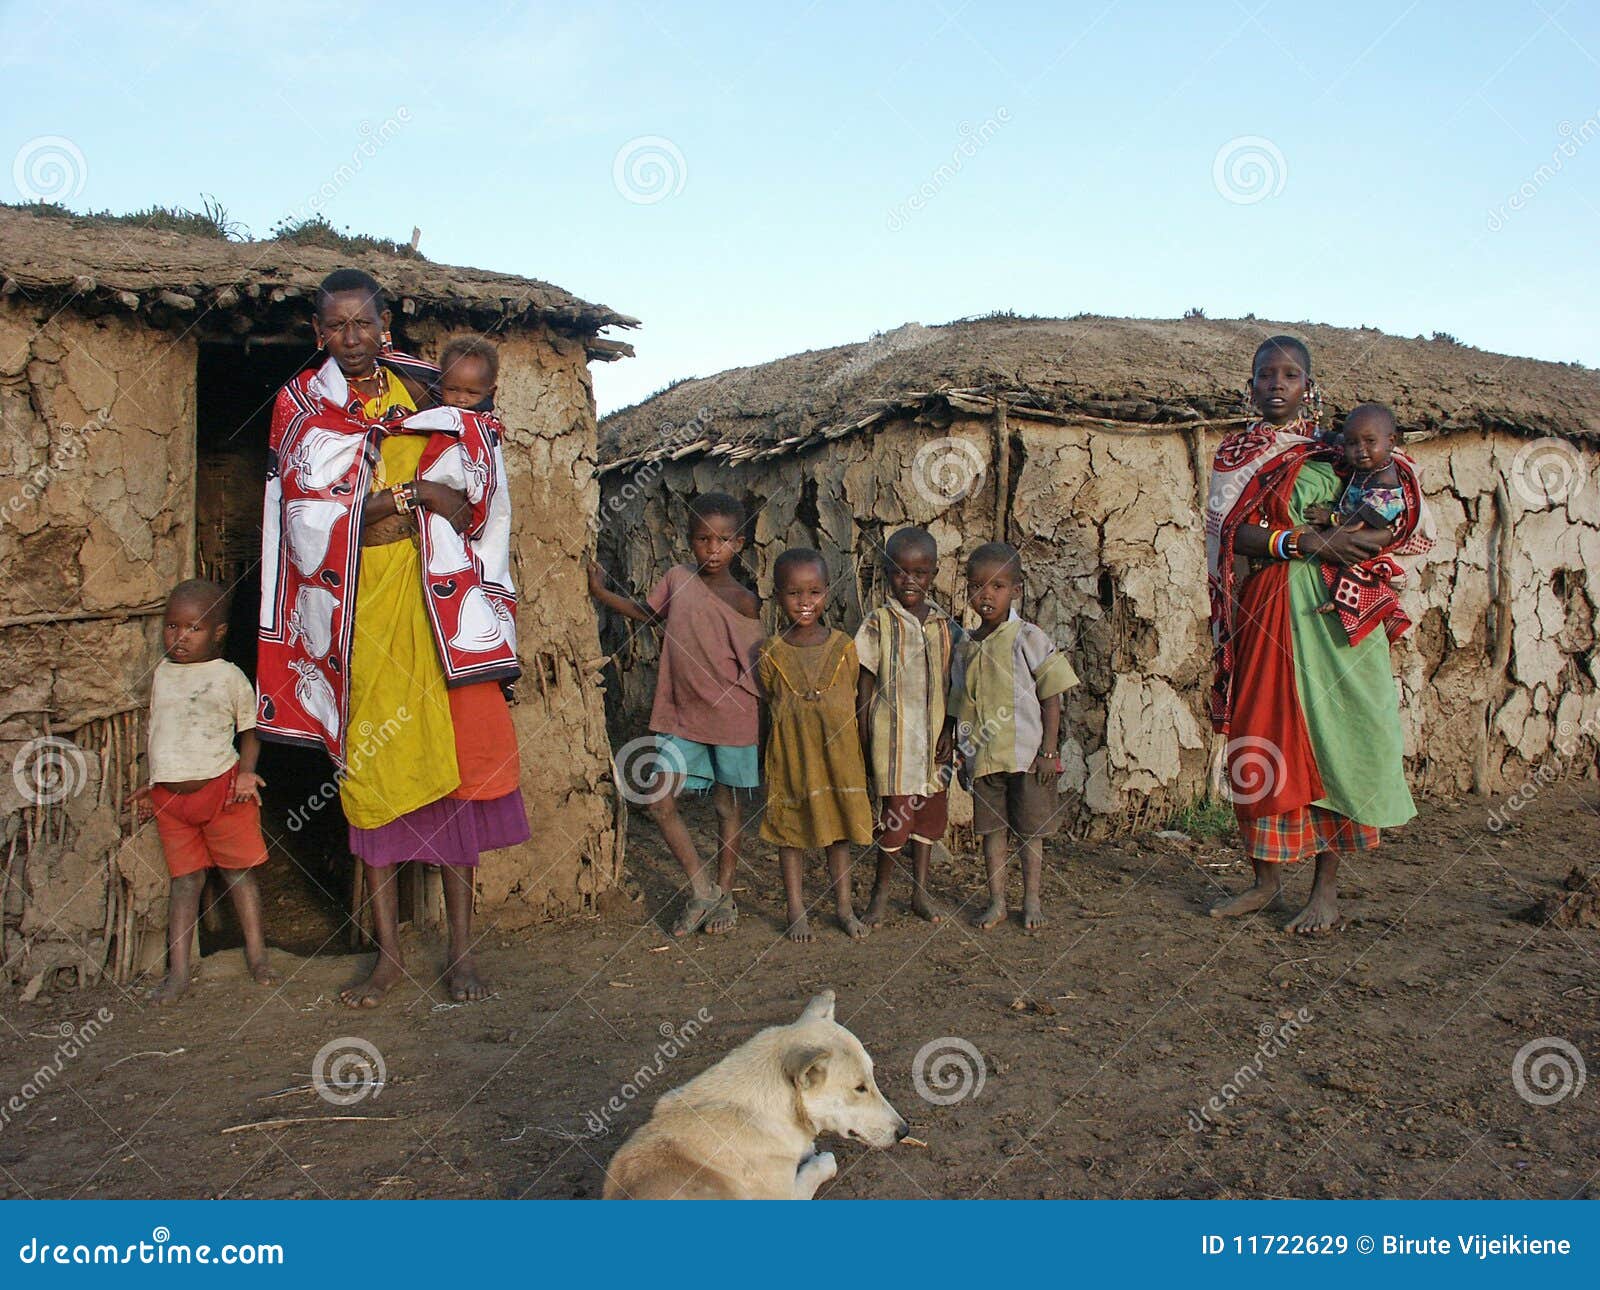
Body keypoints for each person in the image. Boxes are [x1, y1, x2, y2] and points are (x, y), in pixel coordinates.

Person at [258, 270, 529, 1007]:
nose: (351, 337)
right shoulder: (303, 408)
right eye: (335, 325)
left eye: (363, 323)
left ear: (386, 324)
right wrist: (409, 497)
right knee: (372, 781)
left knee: (452, 775)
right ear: (319, 331)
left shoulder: (428, 387)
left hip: (435, 609)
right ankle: (388, 959)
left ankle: (461, 955)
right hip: (361, 615)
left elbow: (476, 486)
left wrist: (430, 502)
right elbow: (304, 521)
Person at [1205, 336, 1429, 934]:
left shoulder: (1338, 451)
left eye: (1290, 374)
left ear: (1310, 387)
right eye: (1265, 375)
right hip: (1269, 607)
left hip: (1335, 615)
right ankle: (1265, 881)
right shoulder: (1235, 455)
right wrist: (1307, 540)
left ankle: (1324, 891)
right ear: (1249, 386)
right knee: (1264, 734)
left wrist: (1350, 537)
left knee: (1338, 735)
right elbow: (1234, 537)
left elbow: (1400, 509)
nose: (1276, 384)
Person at [587, 492, 763, 937]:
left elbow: (756, 669)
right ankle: (700, 888)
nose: (713, 549)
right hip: (683, 714)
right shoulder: (677, 579)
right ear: (690, 541)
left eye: (723, 540)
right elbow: (647, 615)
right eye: (704, 539)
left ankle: (724, 898)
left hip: (732, 716)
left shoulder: (745, 601)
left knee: (727, 807)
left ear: (738, 544)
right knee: (657, 799)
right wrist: (600, 592)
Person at [134, 580, 276, 1004]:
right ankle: (178, 973)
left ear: (217, 632)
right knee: (185, 883)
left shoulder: (228, 677)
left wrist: (247, 775)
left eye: (192, 627)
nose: (180, 637)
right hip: (171, 801)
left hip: (223, 790)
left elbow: (250, 730)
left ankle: (258, 956)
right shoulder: (159, 675)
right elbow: (159, 731)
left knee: (239, 875)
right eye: (172, 626)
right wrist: (155, 778)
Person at [949, 542, 1078, 931]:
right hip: (985, 758)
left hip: (1027, 758)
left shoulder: (1028, 638)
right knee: (991, 832)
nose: (985, 595)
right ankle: (997, 901)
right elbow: (959, 704)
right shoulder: (966, 646)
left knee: (1031, 832)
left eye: (997, 586)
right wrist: (959, 751)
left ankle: (1032, 899)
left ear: (1016, 590)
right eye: (976, 586)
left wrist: (1049, 751)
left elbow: (1052, 697)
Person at [759, 548, 875, 941]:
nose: (804, 602)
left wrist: (863, 753)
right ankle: (795, 910)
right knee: (791, 832)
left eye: (813, 592)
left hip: (837, 760)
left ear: (827, 593)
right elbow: (767, 709)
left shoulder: (843, 647)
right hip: (791, 758)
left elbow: (856, 704)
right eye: (794, 593)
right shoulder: (771, 652)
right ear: (777, 595)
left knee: (837, 832)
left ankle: (843, 907)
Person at [855, 526, 958, 926]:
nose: (910, 581)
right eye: (900, 572)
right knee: (894, 823)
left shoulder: (945, 625)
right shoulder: (879, 623)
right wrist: (864, 738)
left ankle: (919, 893)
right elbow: (864, 685)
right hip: (893, 746)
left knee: (929, 822)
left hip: (934, 746)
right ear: (886, 573)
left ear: (933, 573)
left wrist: (950, 731)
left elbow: (953, 687)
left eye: (920, 572)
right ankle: (879, 896)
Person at [1303, 402, 1435, 645]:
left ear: (1391, 441)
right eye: (1352, 443)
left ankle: (1364, 599)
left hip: (1377, 533)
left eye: (1369, 442)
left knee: (1349, 547)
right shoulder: (1363, 466)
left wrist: (1330, 518)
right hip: (1359, 525)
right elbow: (1332, 439)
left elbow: (1367, 520)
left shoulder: (1386, 479)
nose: (1360, 450)